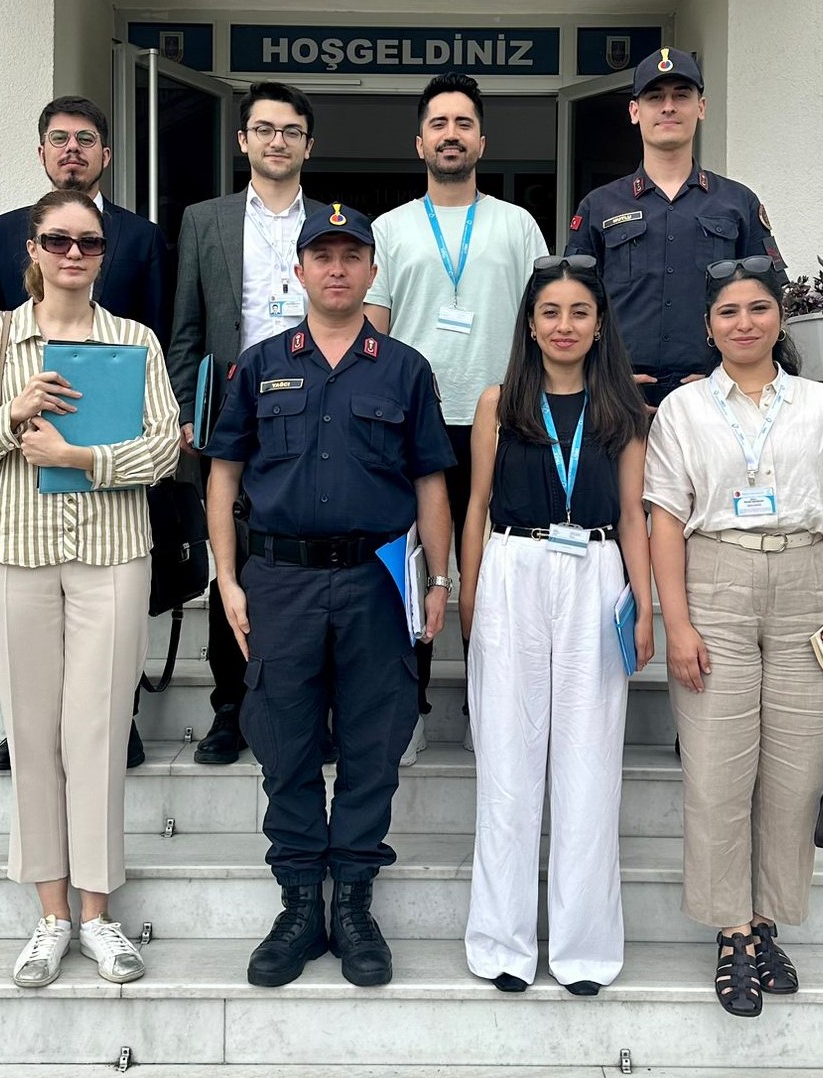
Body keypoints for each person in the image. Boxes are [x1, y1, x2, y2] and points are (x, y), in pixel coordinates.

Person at [205, 204, 454, 989]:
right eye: (323, 255)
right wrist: (227, 578)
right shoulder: (258, 362)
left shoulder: (405, 368)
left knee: (374, 744)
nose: (337, 268)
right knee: (282, 740)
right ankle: (296, 906)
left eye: (352, 255)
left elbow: (429, 482)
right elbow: (223, 475)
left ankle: (351, 901)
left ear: (372, 271)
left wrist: (439, 581)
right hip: (279, 580)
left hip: (377, 578)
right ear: (299, 270)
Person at [0, 189, 181, 988]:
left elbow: (161, 454)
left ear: (103, 253)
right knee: (35, 737)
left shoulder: (135, 341)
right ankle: (51, 916)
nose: (73, 254)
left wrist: (82, 459)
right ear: (34, 249)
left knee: (98, 737)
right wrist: (14, 414)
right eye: (58, 240)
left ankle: (98, 915)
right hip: (15, 550)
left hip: (113, 553)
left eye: (88, 242)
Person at [643, 255, 823, 1018]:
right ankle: (731, 931)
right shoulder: (682, 411)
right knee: (716, 771)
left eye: (756, 309)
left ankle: (770, 918)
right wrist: (675, 621)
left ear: (778, 318)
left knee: (791, 771)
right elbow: (665, 521)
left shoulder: (820, 406)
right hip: (717, 581)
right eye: (726, 312)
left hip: (807, 584)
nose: (743, 323)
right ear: (707, 327)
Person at [460, 255, 654, 997]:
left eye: (578, 312)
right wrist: (470, 596)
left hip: (596, 575)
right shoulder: (498, 403)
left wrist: (642, 605)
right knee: (507, 764)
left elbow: (635, 516)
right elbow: (476, 504)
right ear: (530, 325)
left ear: (599, 324)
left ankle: (583, 950)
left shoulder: (623, 413)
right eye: (550, 312)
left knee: (588, 766)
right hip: (514, 568)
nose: (564, 325)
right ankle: (501, 943)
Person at [0, 94, 167, 773]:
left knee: (112, 588)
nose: (73, 150)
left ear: (106, 156)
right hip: (25, 451)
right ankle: (22, 729)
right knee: (23, 602)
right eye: (59, 139)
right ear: (42, 153)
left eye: (86, 139)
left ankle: (123, 719)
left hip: (110, 428)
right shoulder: (1, 232)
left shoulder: (139, 237)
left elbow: (153, 332)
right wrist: (11, 415)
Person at [365, 72, 549, 762]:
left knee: (493, 572)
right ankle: (407, 710)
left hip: (500, 420)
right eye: (438, 123)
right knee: (411, 571)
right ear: (419, 142)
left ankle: (488, 711)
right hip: (410, 424)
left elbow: (543, 322)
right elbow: (373, 333)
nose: (450, 133)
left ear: (481, 139)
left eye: (462, 123)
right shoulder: (388, 229)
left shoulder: (516, 225)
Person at [168, 82, 330, 766]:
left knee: (311, 562)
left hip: (318, 415)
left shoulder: (335, 218)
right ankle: (229, 708)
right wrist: (183, 408)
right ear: (243, 141)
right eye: (264, 129)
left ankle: (310, 706)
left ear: (307, 144)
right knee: (227, 562)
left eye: (290, 131)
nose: (276, 141)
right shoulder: (204, 221)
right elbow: (186, 327)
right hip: (235, 411)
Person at [565, 48, 786, 409]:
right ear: (635, 112)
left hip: (717, 396)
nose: (668, 106)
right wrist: (597, 374)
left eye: (681, 95)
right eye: (655, 97)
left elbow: (768, 299)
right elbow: (573, 302)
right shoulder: (599, 206)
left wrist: (730, 372)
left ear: (701, 107)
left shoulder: (737, 202)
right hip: (617, 397)